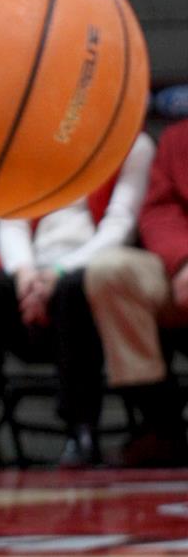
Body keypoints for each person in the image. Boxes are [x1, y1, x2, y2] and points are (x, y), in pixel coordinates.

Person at [0, 134, 151, 469]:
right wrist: (26, 276)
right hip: (31, 269)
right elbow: (11, 218)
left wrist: (55, 273)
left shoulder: (133, 144)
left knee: (75, 288)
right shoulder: (37, 135)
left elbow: (120, 228)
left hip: (89, 268)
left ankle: (80, 432)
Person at [85, 119, 188, 467]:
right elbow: (160, 210)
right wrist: (183, 261)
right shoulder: (178, 138)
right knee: (110, 272)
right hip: (181, 270)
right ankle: (162, 424)